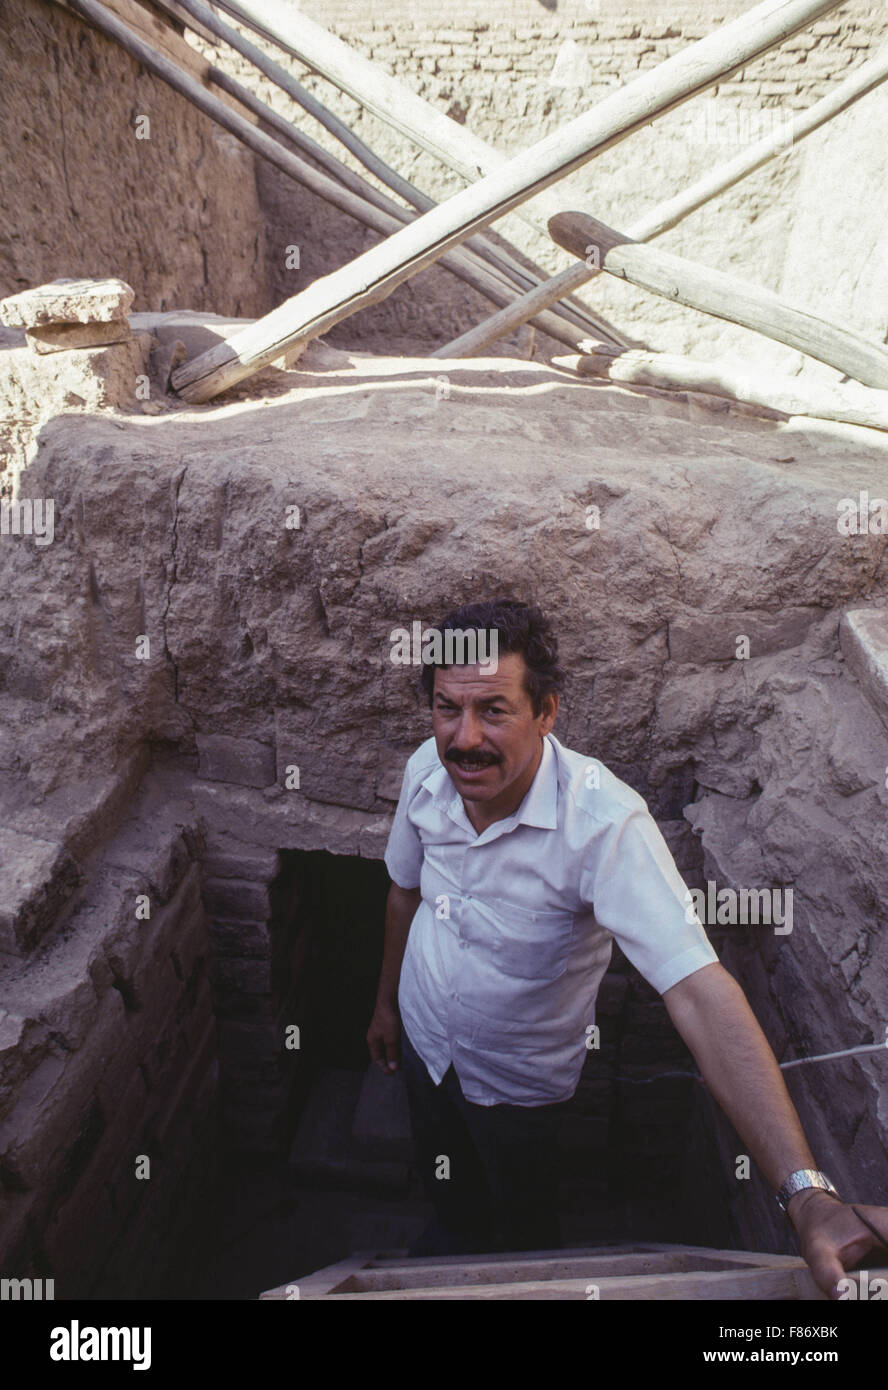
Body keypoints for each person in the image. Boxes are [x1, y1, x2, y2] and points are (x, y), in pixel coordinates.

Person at [366, 598, 887, 1294]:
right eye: (446, 709)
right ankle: (454, 1234)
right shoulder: (423, 778)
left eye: (494, 710)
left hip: (521, 1090)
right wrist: (385, 1009)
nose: (464, 739)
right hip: (428, 1046)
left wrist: (808, 1196)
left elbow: (699, 991)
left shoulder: (603, 824)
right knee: (448, 1176)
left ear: (546, 712)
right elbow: (403, 892)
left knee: (522, 1215)